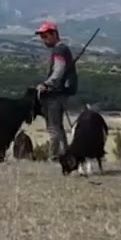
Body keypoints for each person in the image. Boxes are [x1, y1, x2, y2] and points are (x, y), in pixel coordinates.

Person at [34, 20, 78, 161]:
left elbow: (59, 70)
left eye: (45, 36)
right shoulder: (62, 49)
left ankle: (54, 156)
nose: (43, 40)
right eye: (42, 37)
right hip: (62, 92)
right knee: (58, 127)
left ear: (54, 34)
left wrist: (47, 84)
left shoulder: (59, 49)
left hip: (56, 93)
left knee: (53, 127)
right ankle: (64, 154)